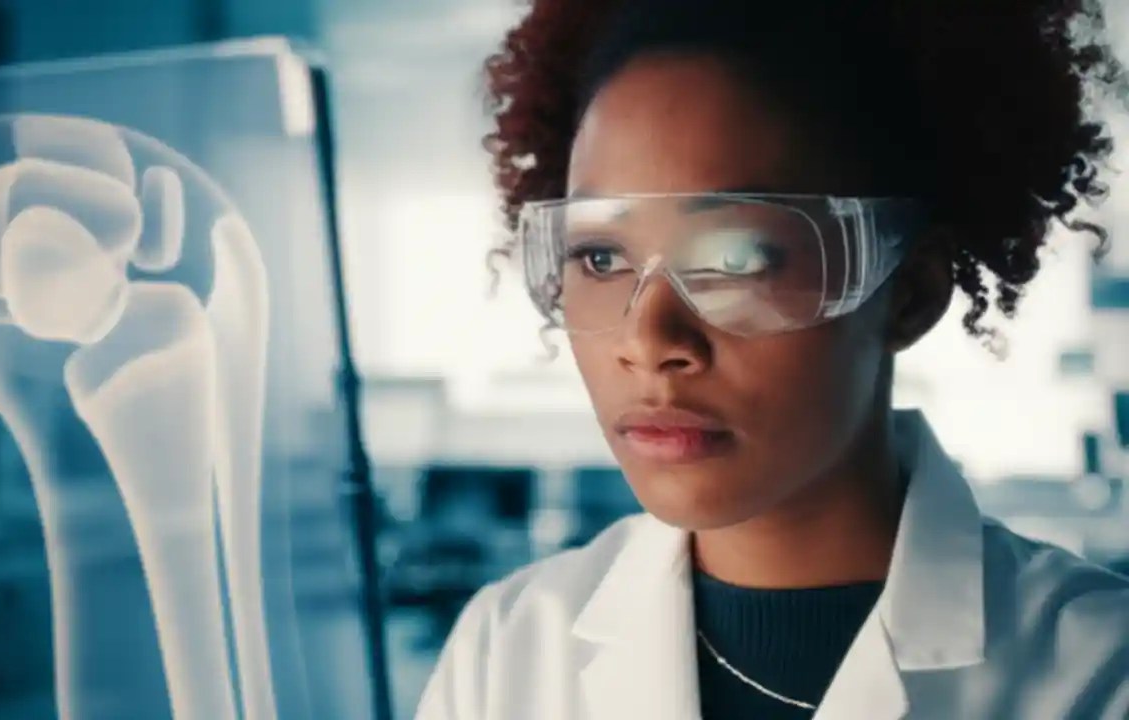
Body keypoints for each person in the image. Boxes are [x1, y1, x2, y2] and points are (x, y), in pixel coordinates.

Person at [414, 0, 1129, 718]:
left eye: (737, 257)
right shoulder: (506, 654)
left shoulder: (1099, 675)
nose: (650, 341)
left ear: (909, 292)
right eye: (601, 256)